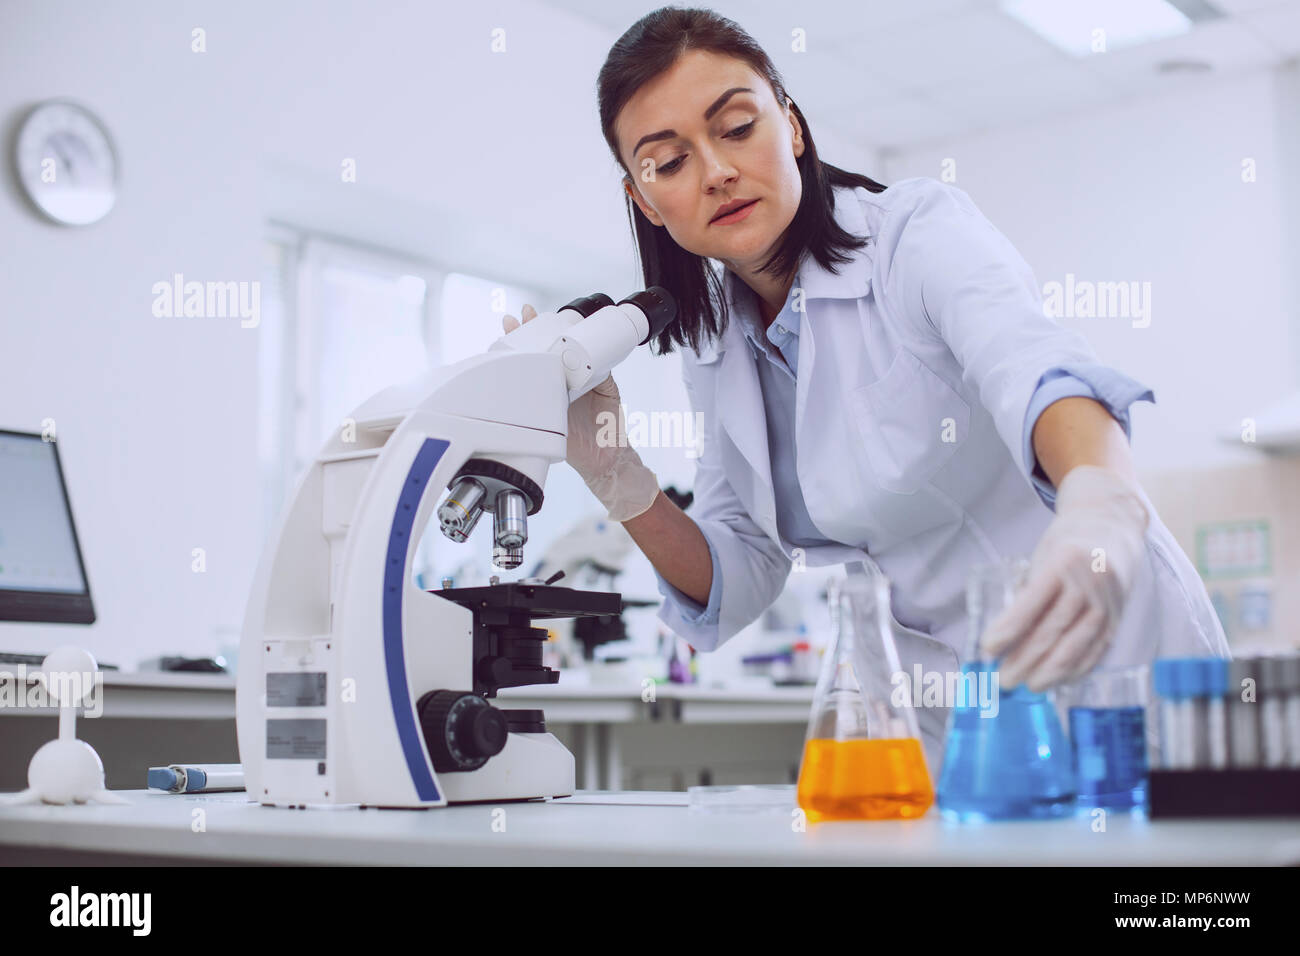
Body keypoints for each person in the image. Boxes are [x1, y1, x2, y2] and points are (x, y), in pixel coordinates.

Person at [504, 8, 1228, 770]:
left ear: (793, 126)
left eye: (738, 126)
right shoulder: (720, 347)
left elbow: (1037, 369)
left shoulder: (913, 237)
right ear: (646, 202)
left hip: (1109, 656)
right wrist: (617, 476)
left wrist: (1101, 511)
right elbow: (738, 570)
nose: (715, 169)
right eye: (670, 162)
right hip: (951, 719)